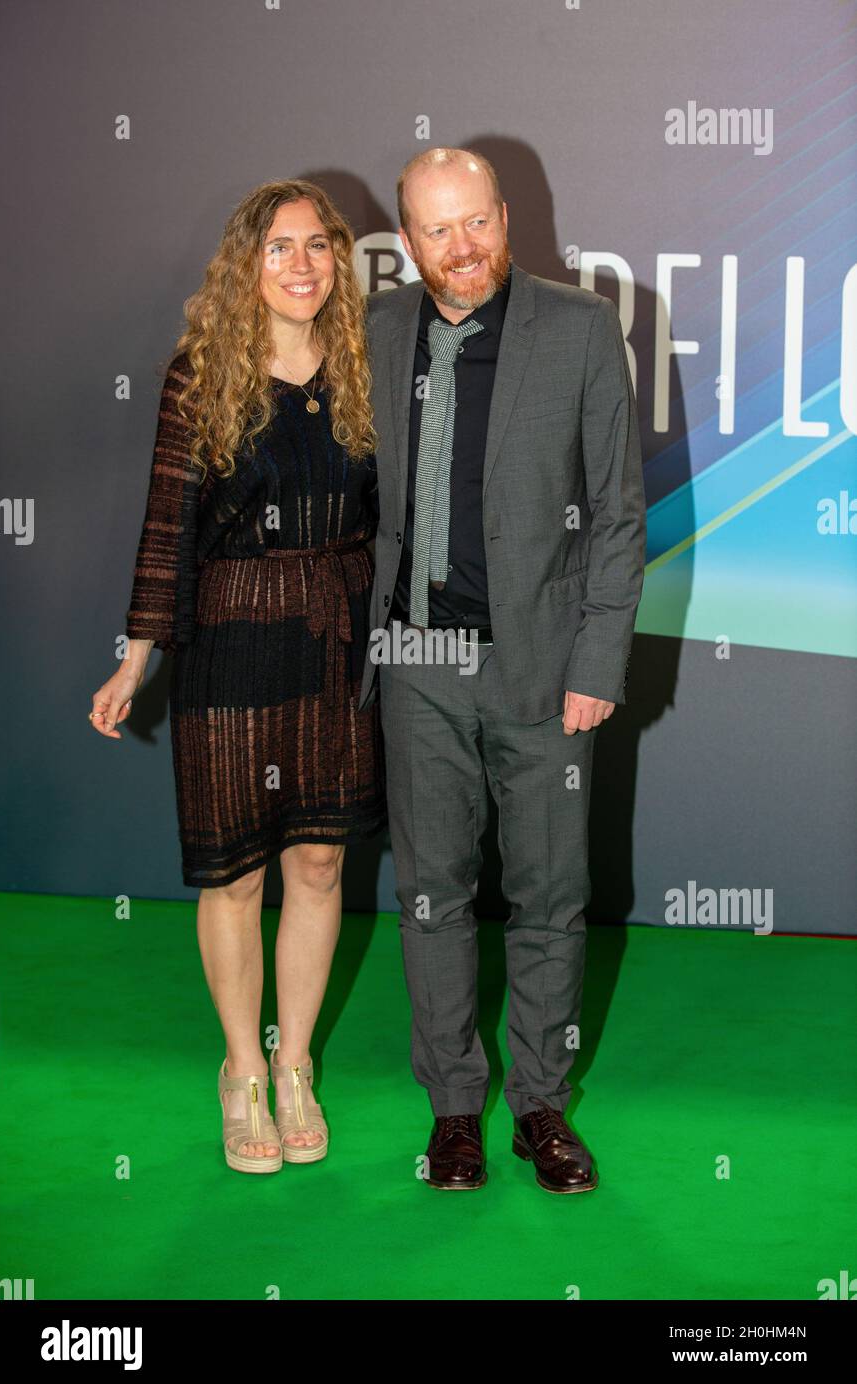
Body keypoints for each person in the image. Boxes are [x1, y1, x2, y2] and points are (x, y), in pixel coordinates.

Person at [361, 148, 646, 1193]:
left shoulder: (574, 328)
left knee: (547, 897)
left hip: (538, 664)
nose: (463, 246)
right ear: (407, 242)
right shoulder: (381, 333)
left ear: (504, 215)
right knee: (432, 897)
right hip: (416, 658)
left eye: (475, 221)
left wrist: (596, 660)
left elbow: (616, 512)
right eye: (438, 230)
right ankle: (451, 1113)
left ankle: (539, 1107)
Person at [90, 180, 387, 1174]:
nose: (300, 264)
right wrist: (136, 660)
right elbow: (165, 531)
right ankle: (240, 1072)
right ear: (244, 268)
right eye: (277, 248)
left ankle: (294, 1063)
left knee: (317, 863)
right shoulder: (198, 376)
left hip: (331, 648)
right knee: (236, 871)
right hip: (227, 647)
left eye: (316, 246)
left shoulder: (361, 367)